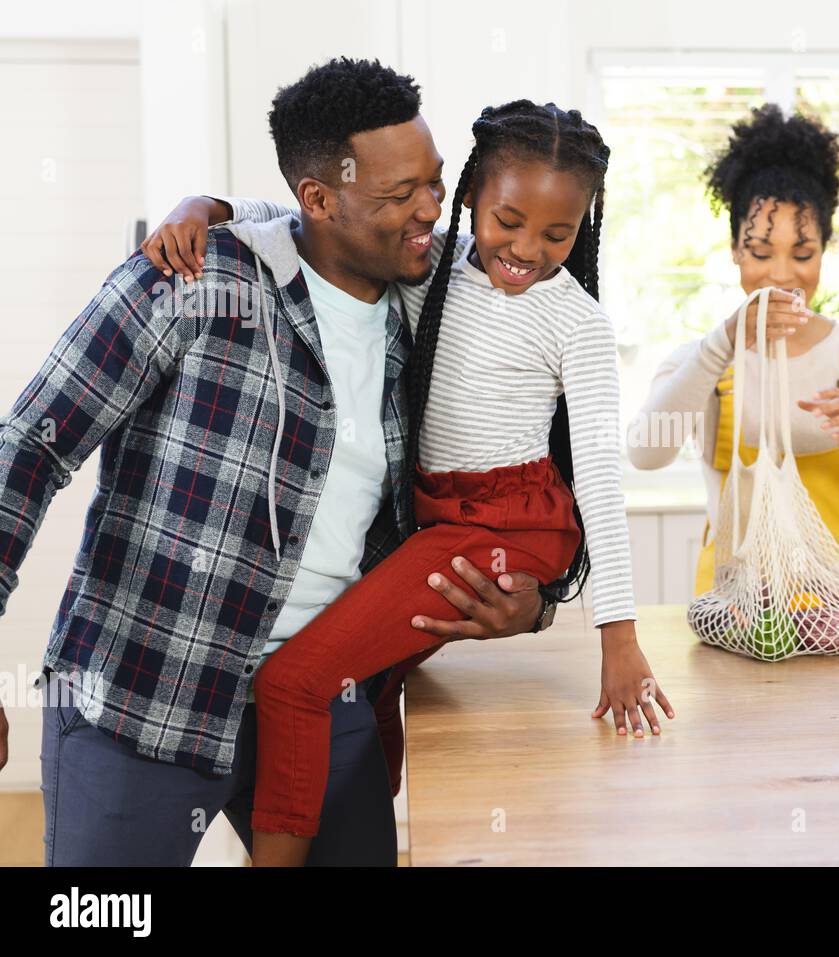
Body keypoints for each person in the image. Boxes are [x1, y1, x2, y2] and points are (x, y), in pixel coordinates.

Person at [0, 57, 562, 867]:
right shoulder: (193, 281)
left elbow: (529, 466)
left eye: (436, 185)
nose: (432, 213)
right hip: (141, 695)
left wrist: (534, 603)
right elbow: (29, 445)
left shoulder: (440, 298)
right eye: (400, 196)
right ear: (320, 198)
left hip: (322, 695)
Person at [143, 99, 673, 867]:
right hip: (438, 516)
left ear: (583, 227)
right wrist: (209, 206)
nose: (526, 249)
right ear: (468, 199)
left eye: (557, 235)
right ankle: (378, 824)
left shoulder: (577, 322)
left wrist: (617, 637)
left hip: (508, 526)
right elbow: (312, 217)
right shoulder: (434, 274)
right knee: (372, 672)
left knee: (293, 682)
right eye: (509, 220)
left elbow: (597, 474)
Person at [626, 104, 839, 595]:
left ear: (824, 251)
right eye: (759, 252)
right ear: (734, 250)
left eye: (802, 254)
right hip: (737, 614)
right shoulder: (706, 359)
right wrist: (723, 344)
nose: (780, 274)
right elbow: (644, 453)